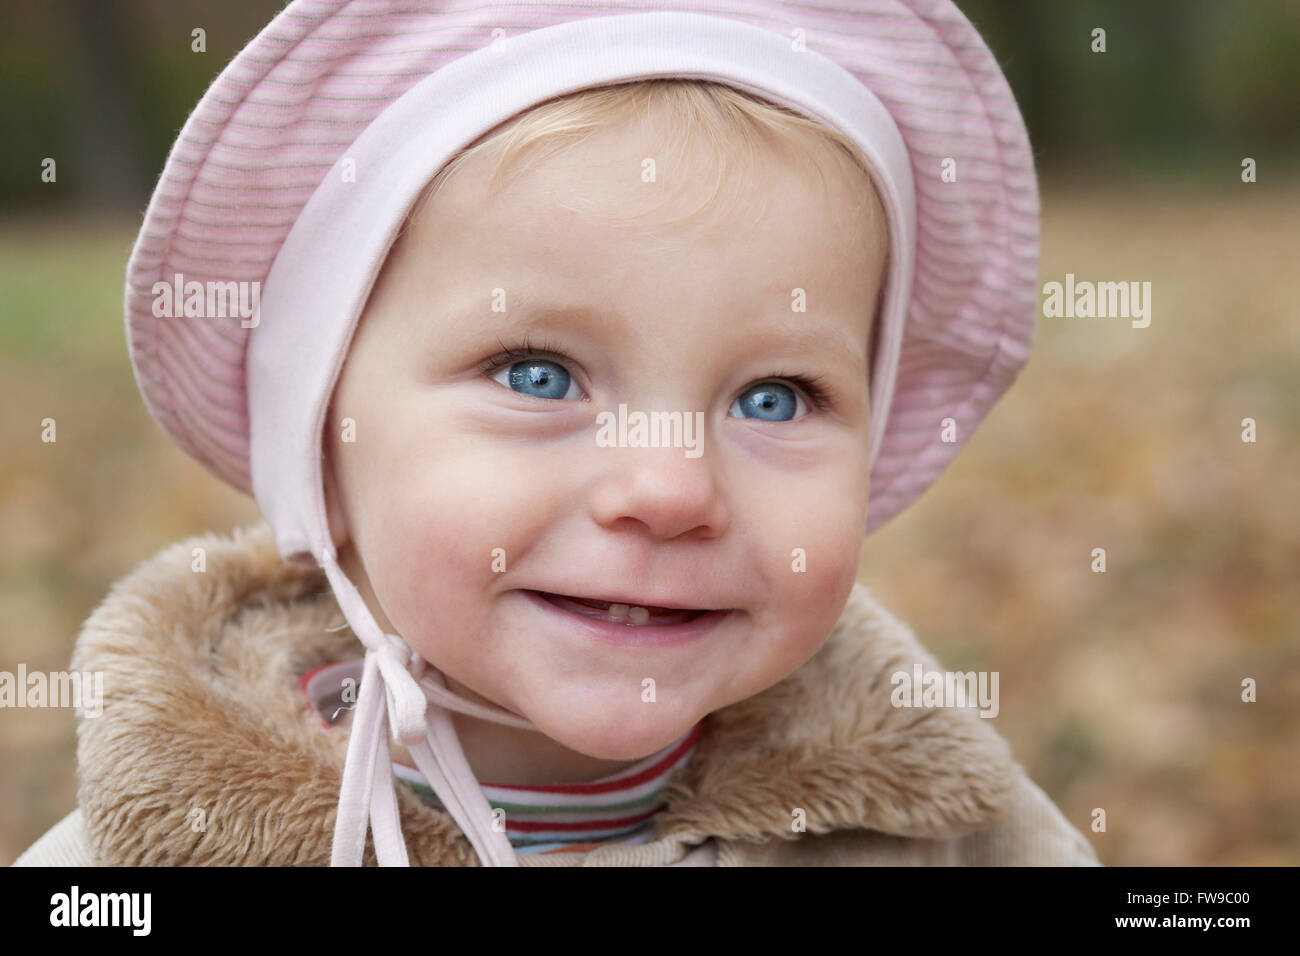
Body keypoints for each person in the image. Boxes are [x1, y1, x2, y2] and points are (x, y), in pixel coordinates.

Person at [14, 0, 1098, 866]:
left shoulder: (948, 830)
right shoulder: (148, 859)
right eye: (538, 375)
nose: (671, 490)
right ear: (324, 441)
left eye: (772, 397)